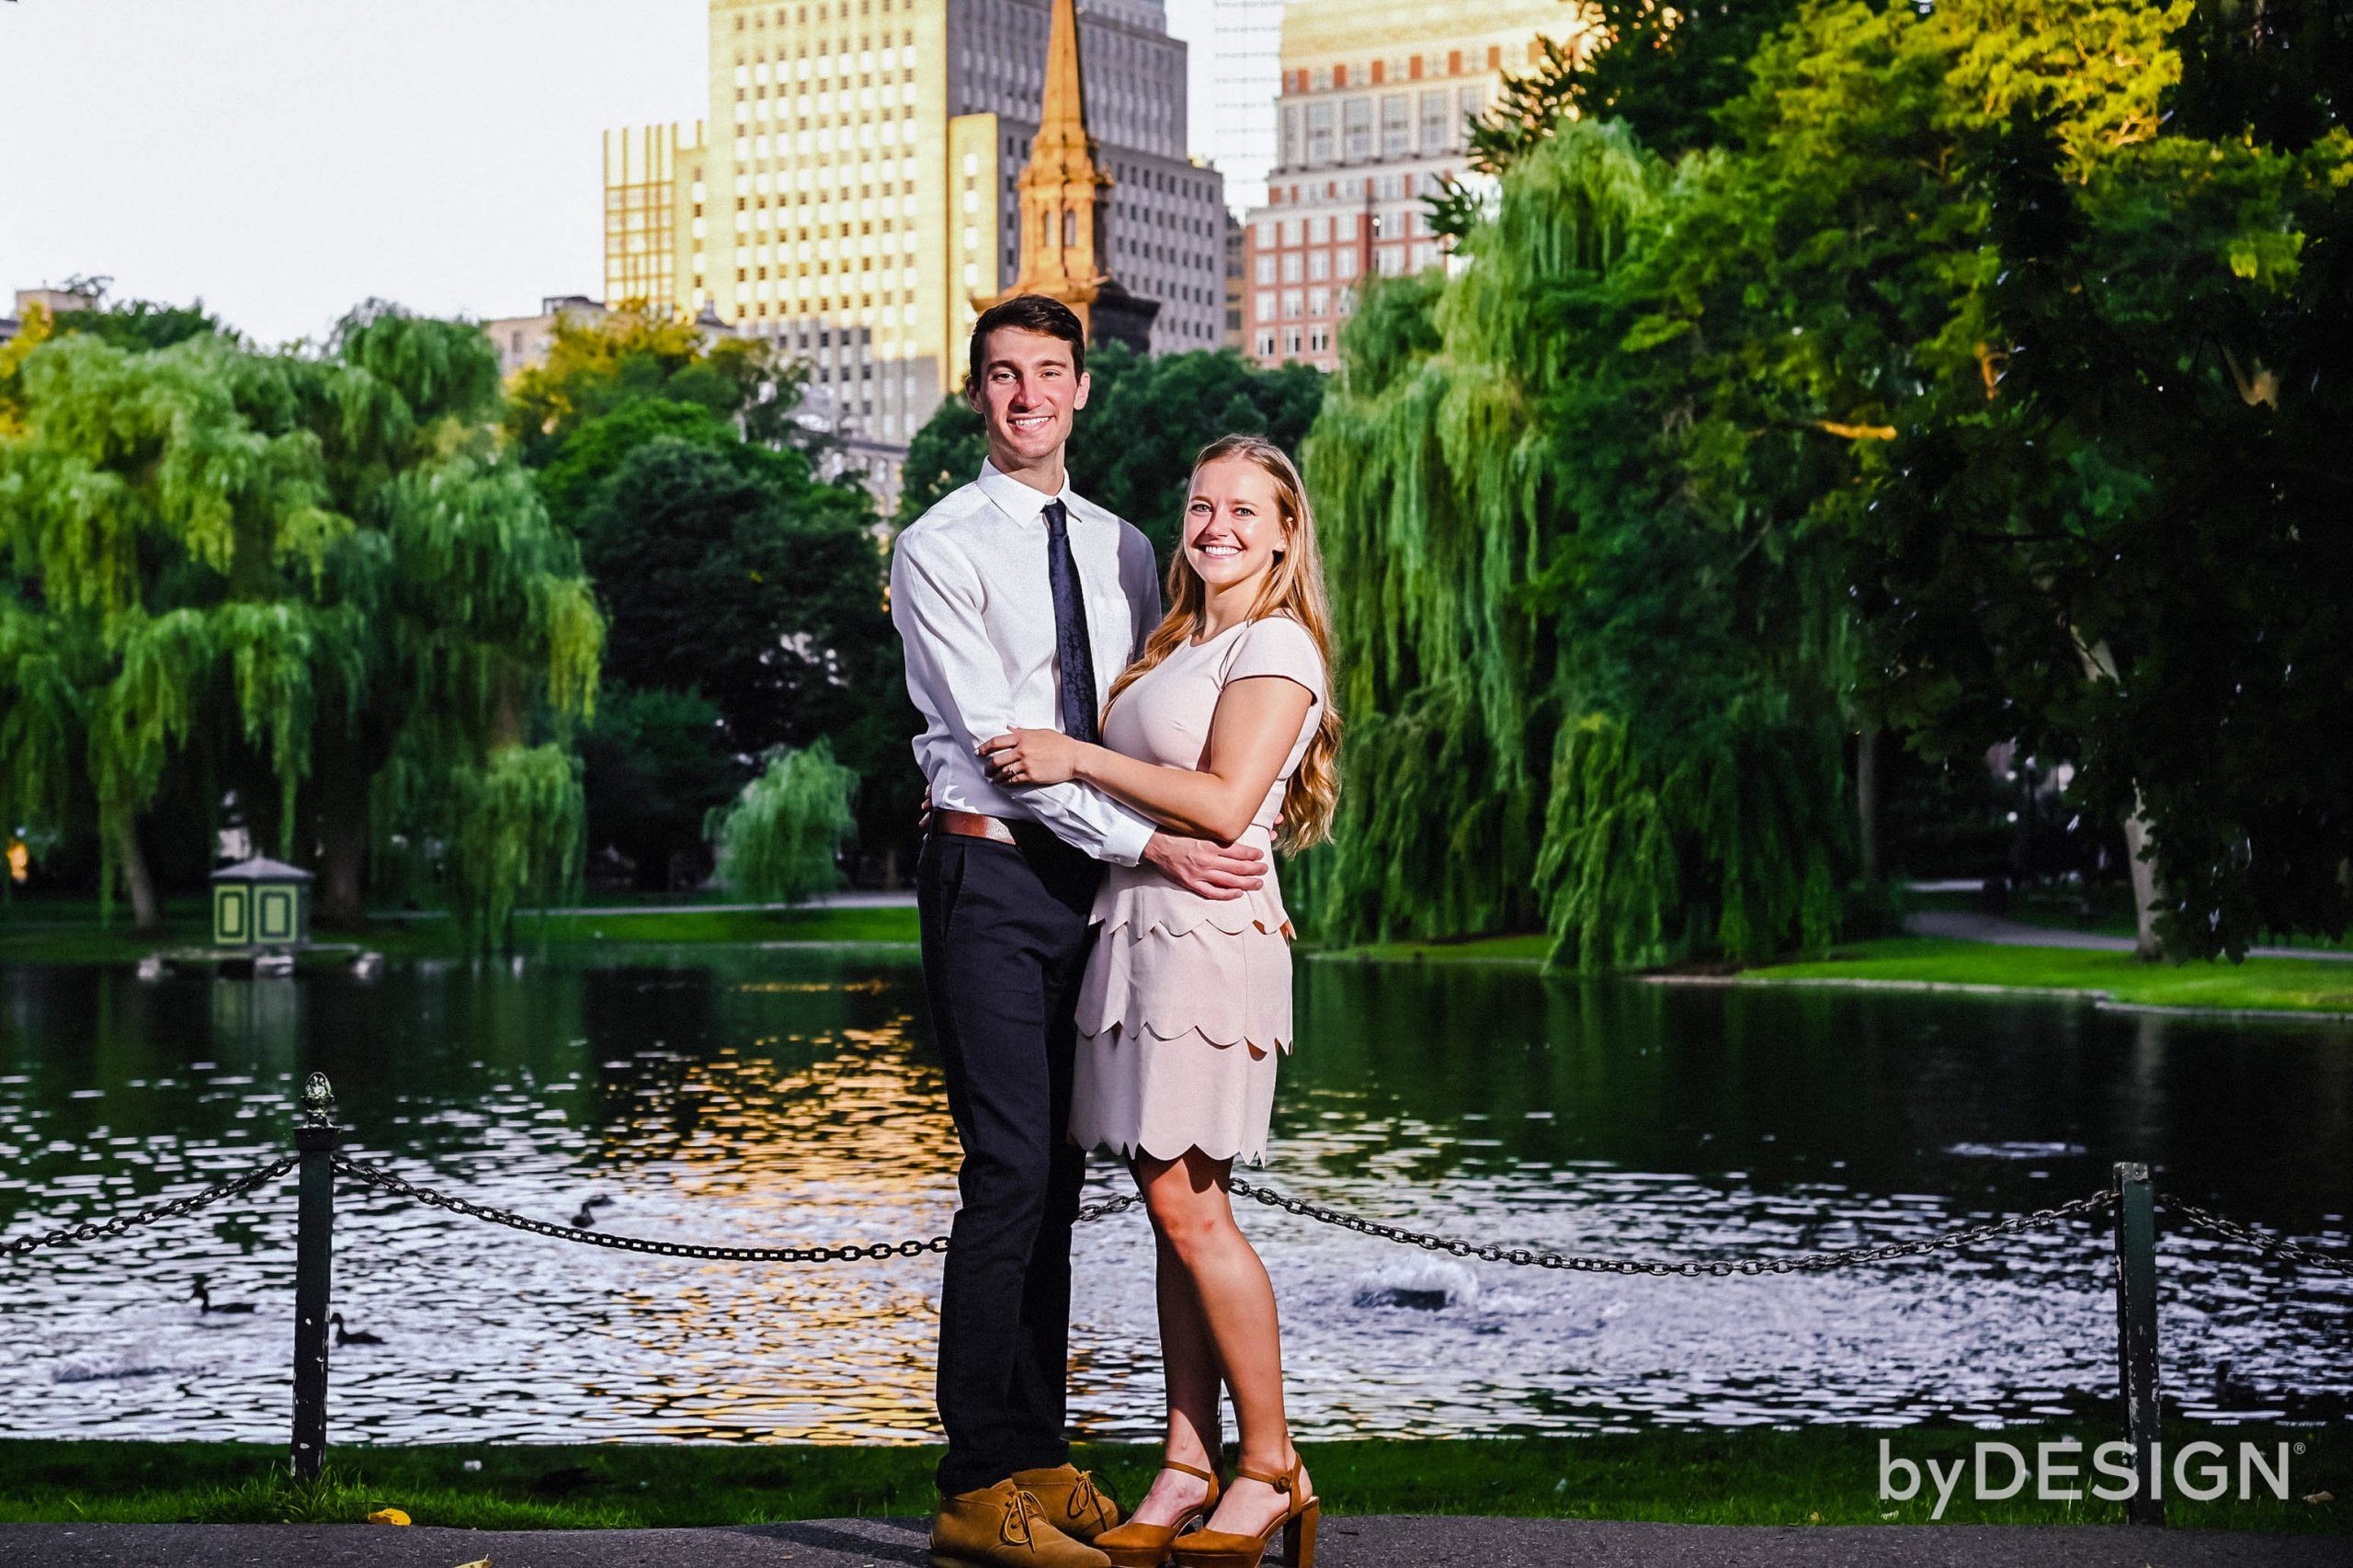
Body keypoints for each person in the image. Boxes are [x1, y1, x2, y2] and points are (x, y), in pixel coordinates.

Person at [892, 295, 1271, 1568]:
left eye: (1048, 373)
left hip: (1097, 895)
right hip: (993, 872)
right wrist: (1152, 843)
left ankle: (1038, 1451)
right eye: (1001, 377)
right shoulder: (937, 547)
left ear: (1083, 388)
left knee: (1059, 1179)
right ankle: (971, 1482)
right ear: (977, 394)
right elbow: (1011, 747)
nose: (1026, 397)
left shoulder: (1120, 547)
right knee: (1005, 1169)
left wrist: (1212, 807)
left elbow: (1138, 718)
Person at [979, 434, 1338, 1568]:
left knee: (1194, 1211)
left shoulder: (1278, 642)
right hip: (1139, 926)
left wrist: (1074, 755)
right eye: (1199, 505)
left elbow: (1229, 802)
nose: (1215, 524)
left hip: (1206, 936)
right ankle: (1188, 1459)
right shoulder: (1184, 638)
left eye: (1243, 509)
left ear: (1286, 530)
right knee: (1168, 1207)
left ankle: (1270, 1465)